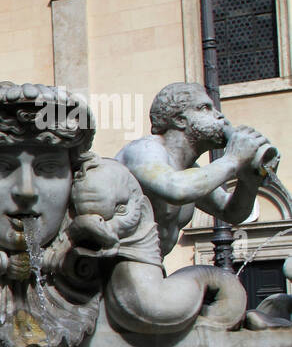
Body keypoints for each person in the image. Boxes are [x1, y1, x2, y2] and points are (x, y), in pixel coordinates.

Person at [116, 82, 276, 257]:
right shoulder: (144, 150)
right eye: (205, 108)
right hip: (108, 268)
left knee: (218, 281)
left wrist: (249, 180)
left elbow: (231, 212)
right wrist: (232, 159)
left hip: (149, 267)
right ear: (179, 120)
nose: (219, 116)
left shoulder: (189, 170)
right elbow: (176, 189)